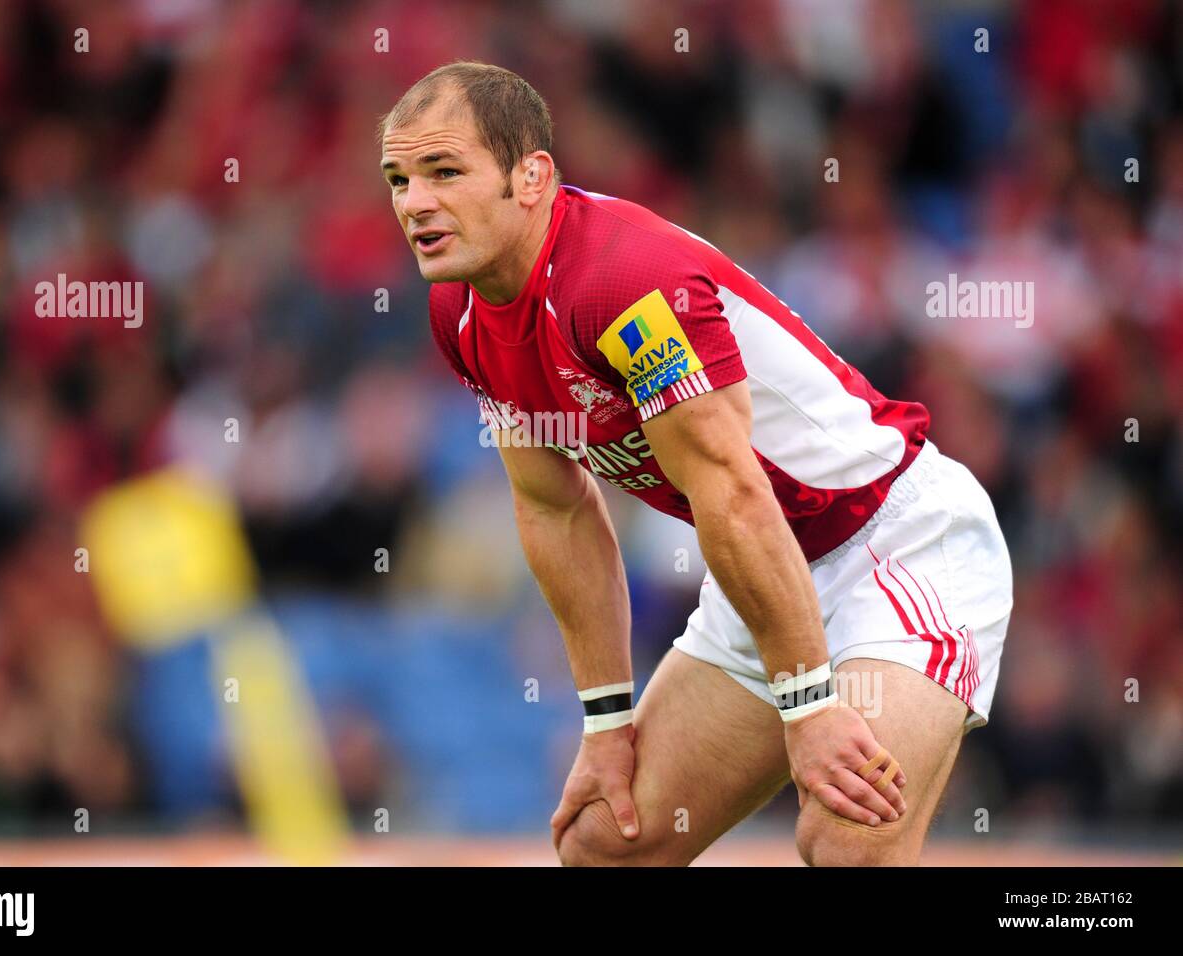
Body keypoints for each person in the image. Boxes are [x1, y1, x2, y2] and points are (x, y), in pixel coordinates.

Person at [378, 61, 1012, 865]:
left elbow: (737, 495)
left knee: (847, 842)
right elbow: (556, 509)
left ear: (531, 176)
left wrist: (809, 706)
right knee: (605, 844)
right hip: (760, 570)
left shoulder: (623, 284)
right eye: (399, 179)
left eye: (444, 172)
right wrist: (607, 727)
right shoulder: (460, 310)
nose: (415, 203)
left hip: (894, 545)